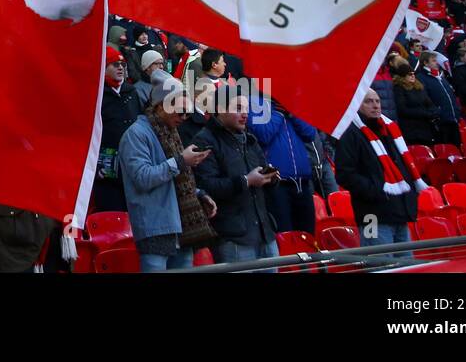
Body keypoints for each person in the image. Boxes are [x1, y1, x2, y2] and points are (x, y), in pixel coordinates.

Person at [118, 76, 216, 271]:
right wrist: (181, 161)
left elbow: (175, 181)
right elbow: (142, 178)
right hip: (155, 228)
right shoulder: (136, 134)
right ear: (160, 105)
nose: (183, 118)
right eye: (180, 111)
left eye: (187, 113)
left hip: (182, 229)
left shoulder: (170, 132)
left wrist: (198, 194)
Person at [193, 87, 279, 266]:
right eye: (238, 108)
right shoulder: (205, 140)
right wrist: (246, 181)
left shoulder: (249, 139)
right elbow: (207, 185)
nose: (245, 114)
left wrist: (270, 178)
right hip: (234, 238)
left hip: (265, 233)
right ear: (220, 109)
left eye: (246, 109)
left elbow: (261, 172)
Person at [335, 88, 425, 246]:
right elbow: (344, 174)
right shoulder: (350, 134)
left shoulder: (390, 131)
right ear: (357, 105)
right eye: (368, 101)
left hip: (399, 212)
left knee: (407, 265)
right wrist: (376, 190)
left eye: (377, 101)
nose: (375, 105)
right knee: (381, 264)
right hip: (372, 216)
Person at [248, 96, 319, 235]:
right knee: (284, 236)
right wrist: (279, 112)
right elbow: (263, 134)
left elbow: (310, 133)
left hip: (303, 183)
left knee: (308, 237)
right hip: (277, 184)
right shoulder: (254, 102)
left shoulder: (294, 102)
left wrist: (292, 111)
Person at [93, 45, 141, 213]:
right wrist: (96, 167)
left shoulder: (132, 92)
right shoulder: (97, 95)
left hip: (133, 165)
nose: (120, 67)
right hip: (107, 170)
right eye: (114, 64)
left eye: (122, 64)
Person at [416, 50, 462, 146]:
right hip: (440, 121)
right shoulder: (421, 78)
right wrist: (437, 112)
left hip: (453, 118)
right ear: (425, 63)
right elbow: (425, 98)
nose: (436, 63)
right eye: (433, 61)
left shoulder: (440, 76)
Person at [390, 56, 439, 146]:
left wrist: (434, 111)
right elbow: (403, 109)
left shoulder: (418, 87)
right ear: (403, 76)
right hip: (412, 130)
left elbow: (429, 102)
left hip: (425, 127)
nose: (413, 76)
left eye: (413, 73)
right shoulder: (399, 88)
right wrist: (424, 113)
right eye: (409, 74)